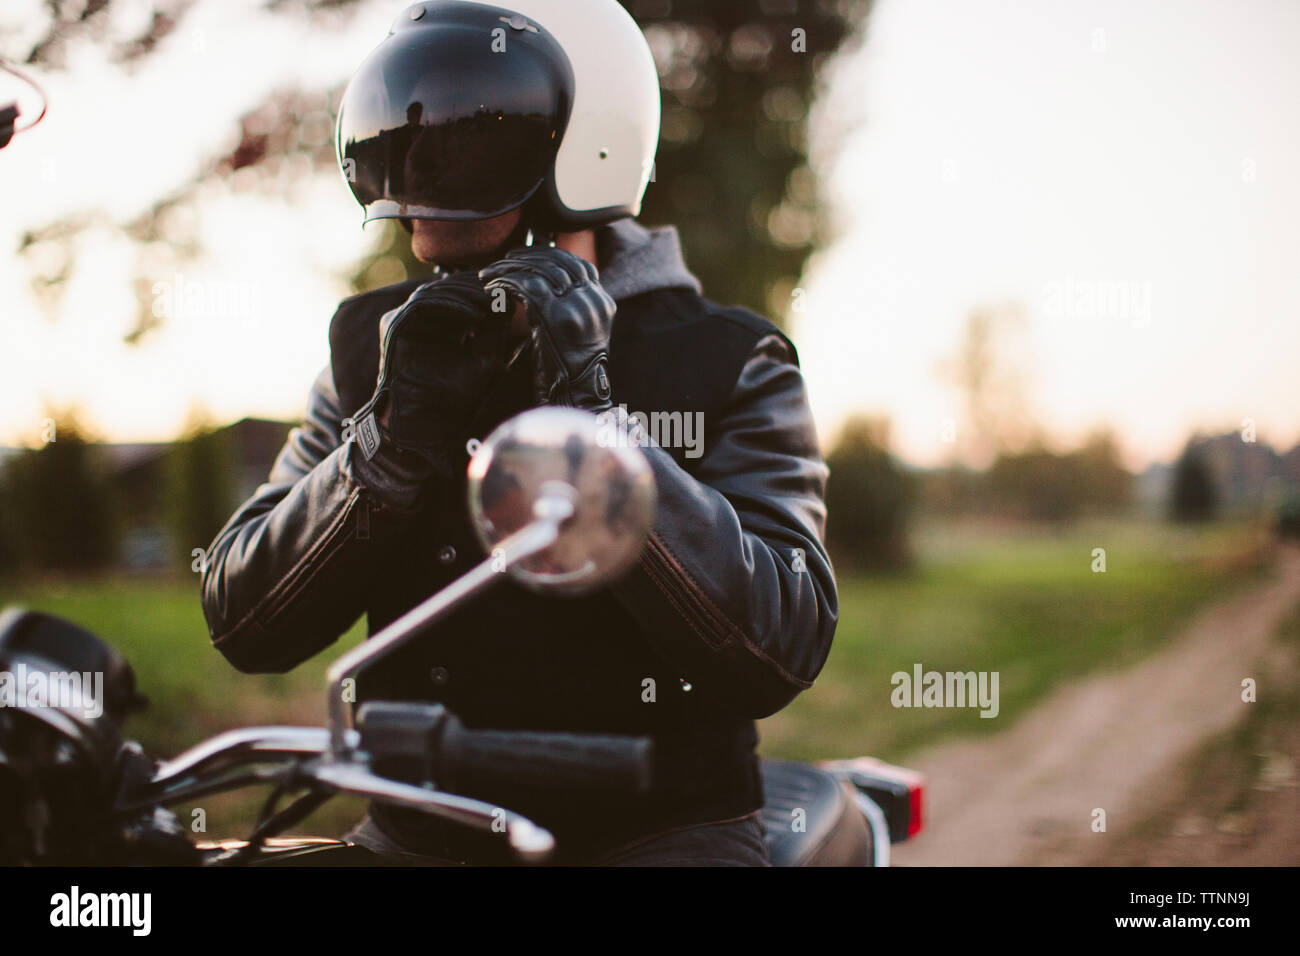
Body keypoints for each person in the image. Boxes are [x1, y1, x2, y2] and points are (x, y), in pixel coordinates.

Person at [200, 0, 837, 866]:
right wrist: (387, 446)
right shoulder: (372, 352)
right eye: (403, 119)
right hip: (415, 833)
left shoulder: (729, 359)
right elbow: (243, 621)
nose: (414, 156)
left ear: (584, 141)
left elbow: (781, 646)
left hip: (662, 832)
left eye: (462, 122)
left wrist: (598, 434)